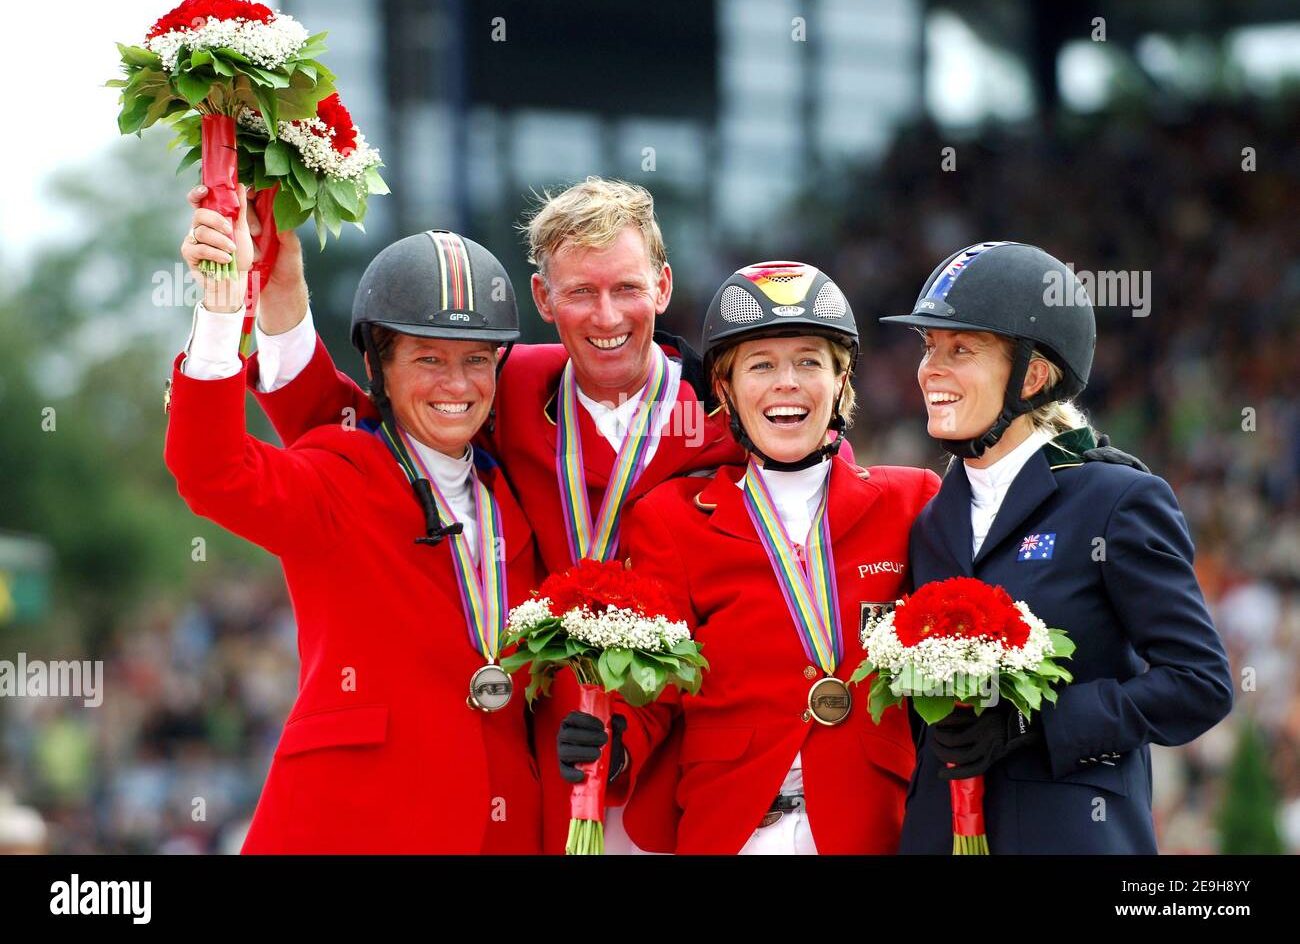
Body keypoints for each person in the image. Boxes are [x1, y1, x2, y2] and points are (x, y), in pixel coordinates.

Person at [214, 179, 851, 853]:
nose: (607, 317)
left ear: (662, 288)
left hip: (687, 768)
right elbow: (363, 429)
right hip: (540, 765)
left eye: (626, 289)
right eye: (580, 292)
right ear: (544, 299)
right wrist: (280, 291)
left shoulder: (734, 412)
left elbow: (820, 548)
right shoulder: (501, 386)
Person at [166, 187, 542, 853]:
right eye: (429, 358)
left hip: (504, 824)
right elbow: (212, 471)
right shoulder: (342, 472)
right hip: (355, 821)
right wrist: (225, 310)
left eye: (476, 359)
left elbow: (312, 393)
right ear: (379, 368)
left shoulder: (507, 489)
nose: (458, 384)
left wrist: (284, 276)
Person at [564, 262, 940, 854]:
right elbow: (654, 689)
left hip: (872, 827)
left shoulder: (911, 501)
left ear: (842, 382)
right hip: (732, 830)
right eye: (761, 365)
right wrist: (611, 743)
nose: (786, 383)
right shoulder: (672, 519)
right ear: (725, 389)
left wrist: (1074, 462)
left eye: (809, 362)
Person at [878, 240, 1234, 853]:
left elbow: (1200, 683)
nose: (930, 369)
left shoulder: (1117, 500)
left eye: (960, 349)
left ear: (1034, 375)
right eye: (928, 348)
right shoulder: (933, 521)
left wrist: (1038, 723)